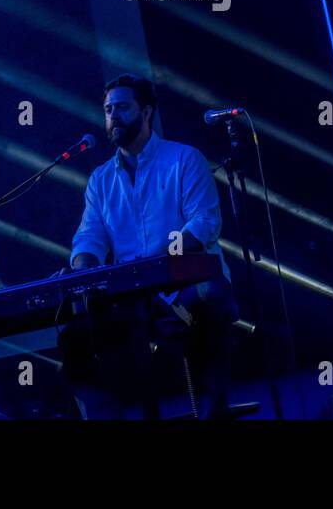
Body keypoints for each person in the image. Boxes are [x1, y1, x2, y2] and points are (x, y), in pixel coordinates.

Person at [57, 74, 238, 418]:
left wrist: (157, 262)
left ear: (147, 111)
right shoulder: (101, 180)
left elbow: (204, 222)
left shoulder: (184, 159)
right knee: (75, 337)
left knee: (208, 303)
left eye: (123, 107)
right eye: (109, 109)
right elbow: (89, 237)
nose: (113, 116)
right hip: (134, 296)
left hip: (188, 283)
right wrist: (82, 268)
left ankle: (215, 413)